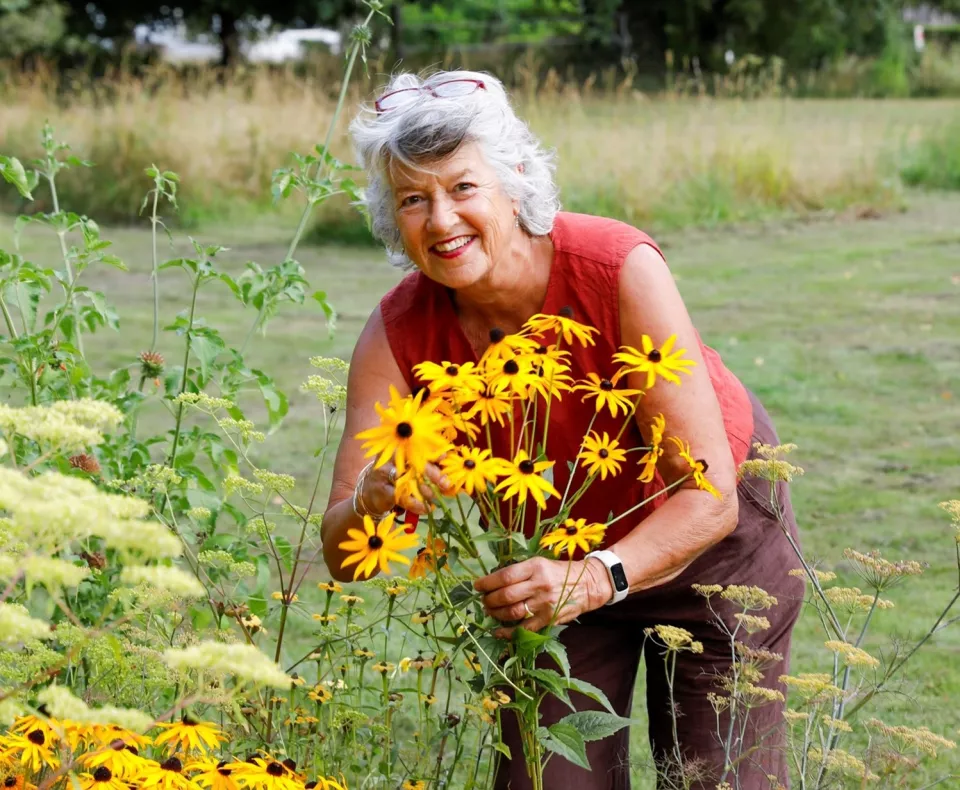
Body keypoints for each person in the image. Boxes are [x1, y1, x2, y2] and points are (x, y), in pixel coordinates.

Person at [321, 70, 804, 790]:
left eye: (462, 188)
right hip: (547, 567)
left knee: (718, 776)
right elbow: (341, 555)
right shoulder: (396, 336)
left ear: (514, 182)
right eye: (413, 200)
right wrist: (373, 496)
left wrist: (598, 576)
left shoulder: (616, 268)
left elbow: (711, 498)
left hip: (710, 548)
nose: (442, 220)